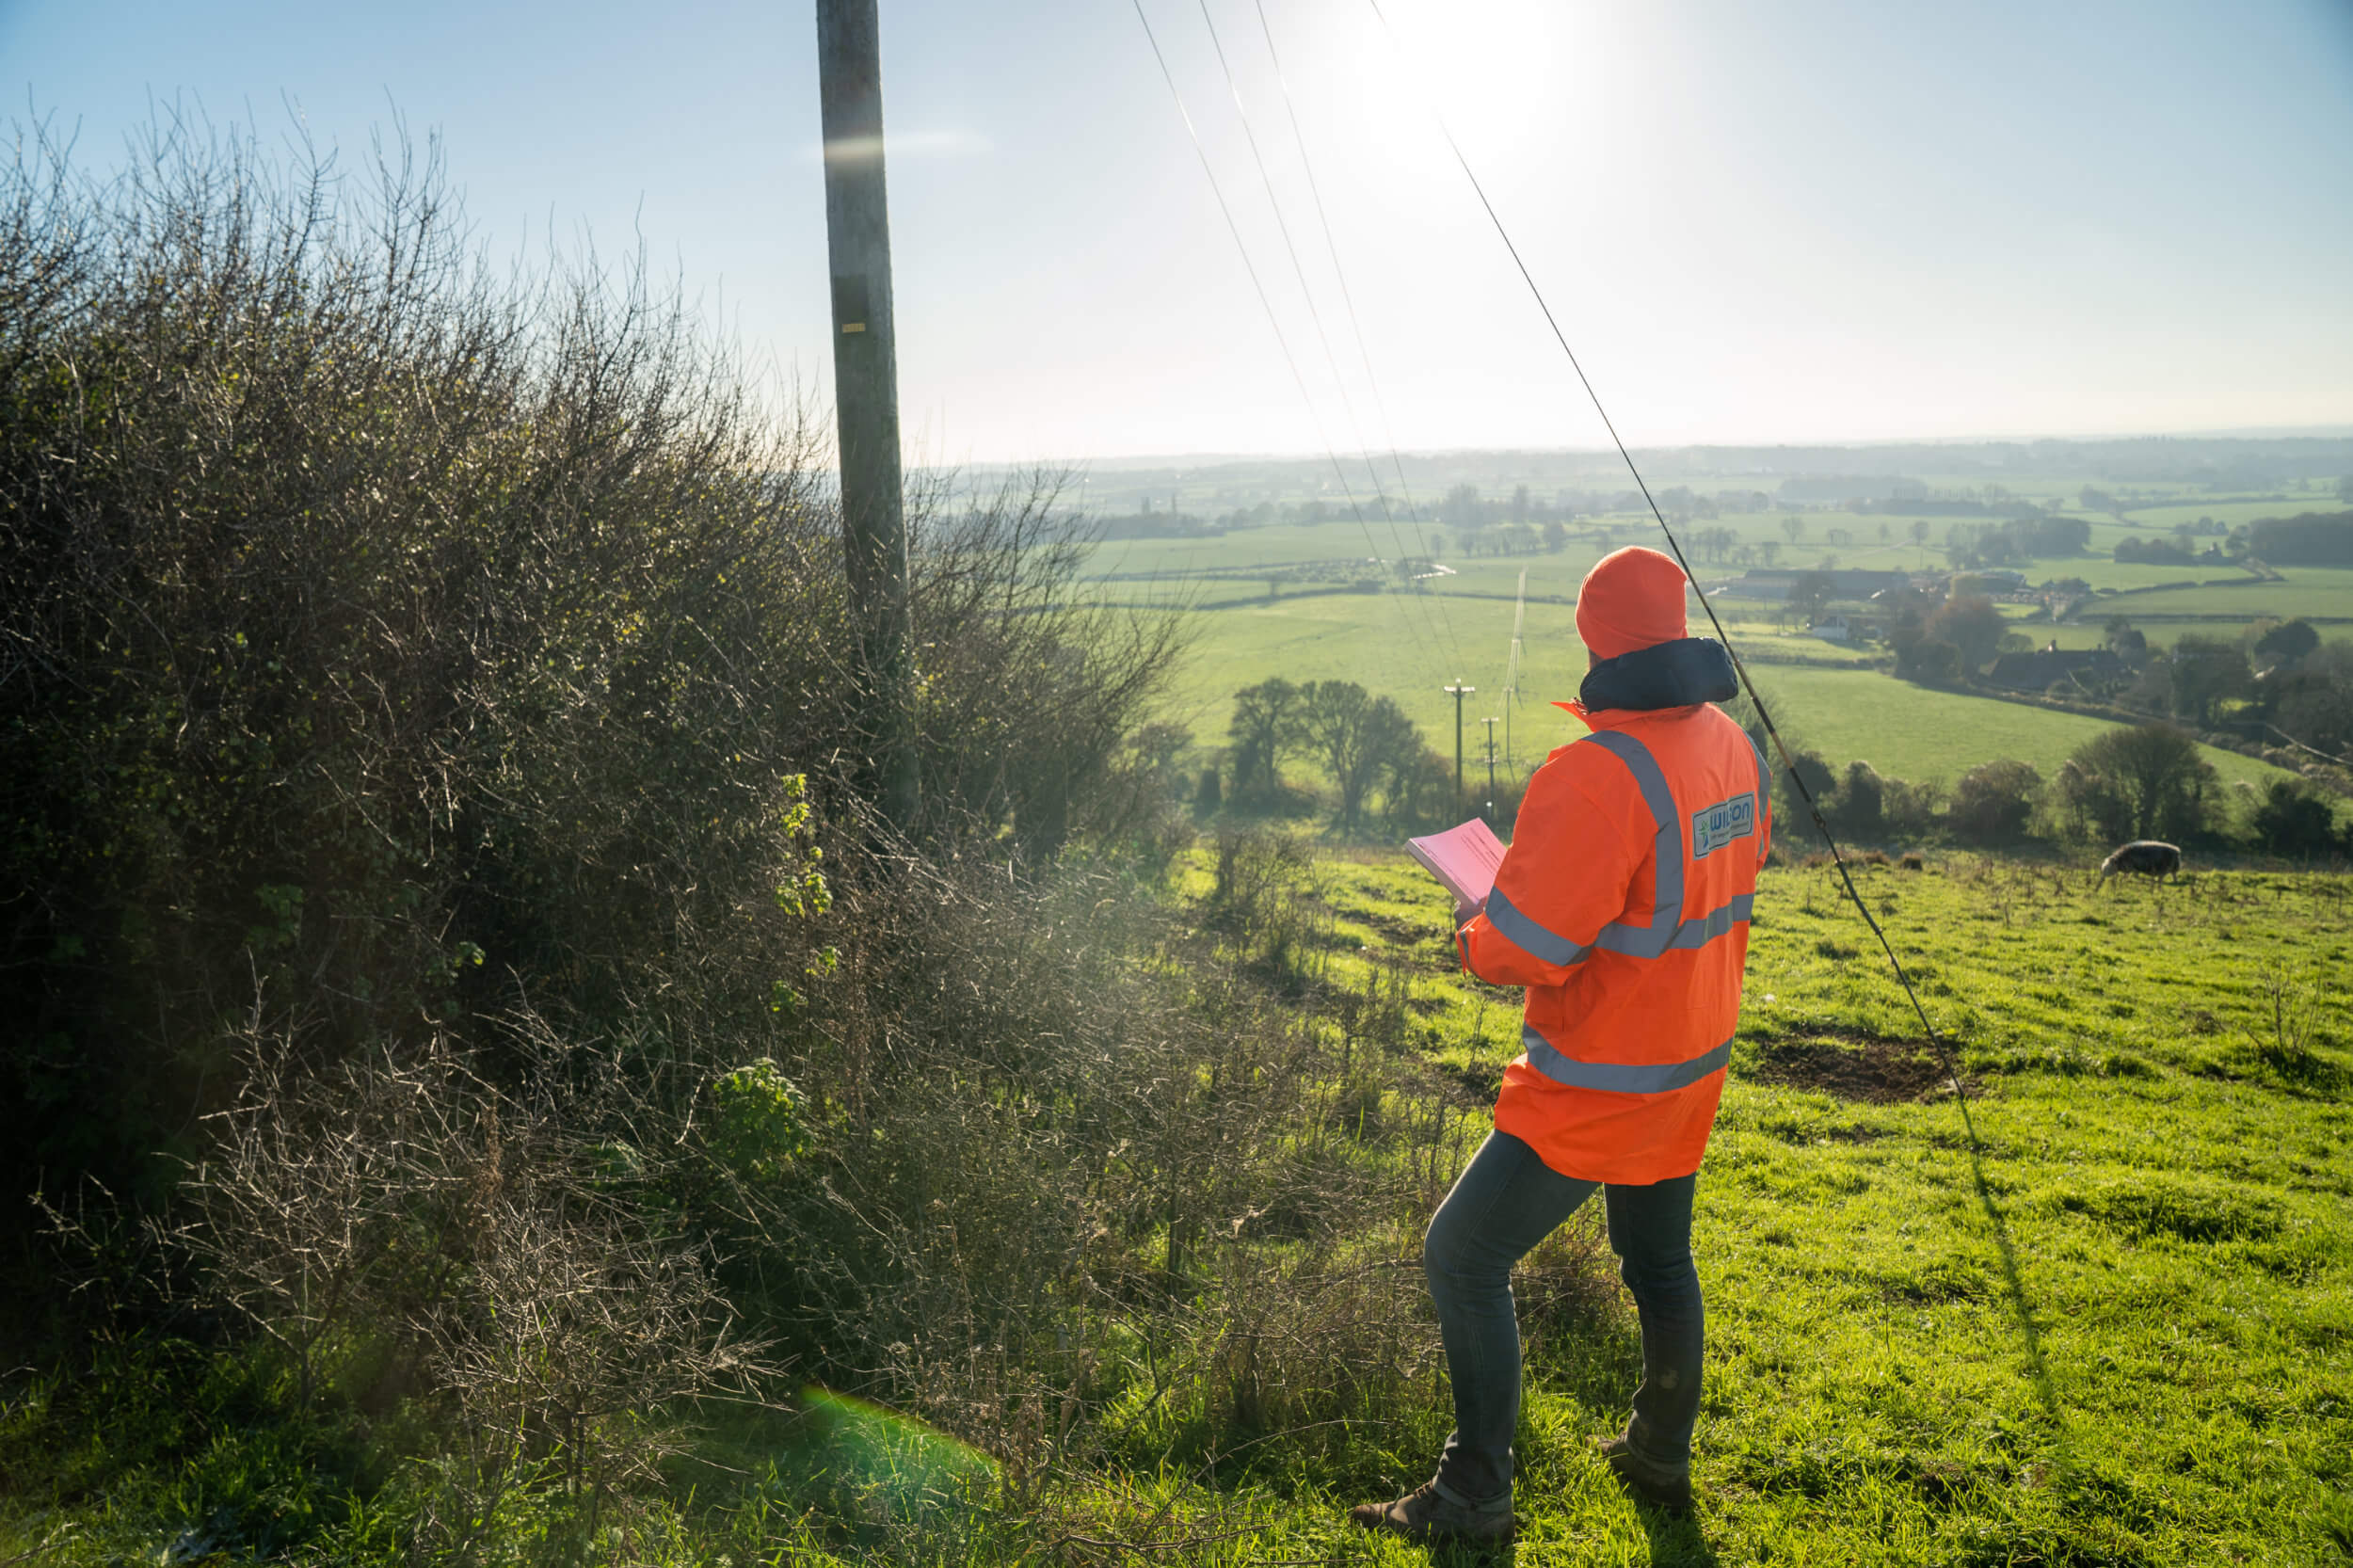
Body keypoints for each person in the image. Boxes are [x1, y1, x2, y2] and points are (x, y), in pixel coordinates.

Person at [1352, 545, 1770, 1544]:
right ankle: (1659, 1452)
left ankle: (1472, 1497)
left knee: (1462, 1256)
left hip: (1599, 1076)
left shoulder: (1594, 772)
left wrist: (1476, 924)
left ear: (1594, 639)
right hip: (1691, 1058)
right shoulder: (1726, 741)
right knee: (1658, 1259)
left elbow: (1530, 948)